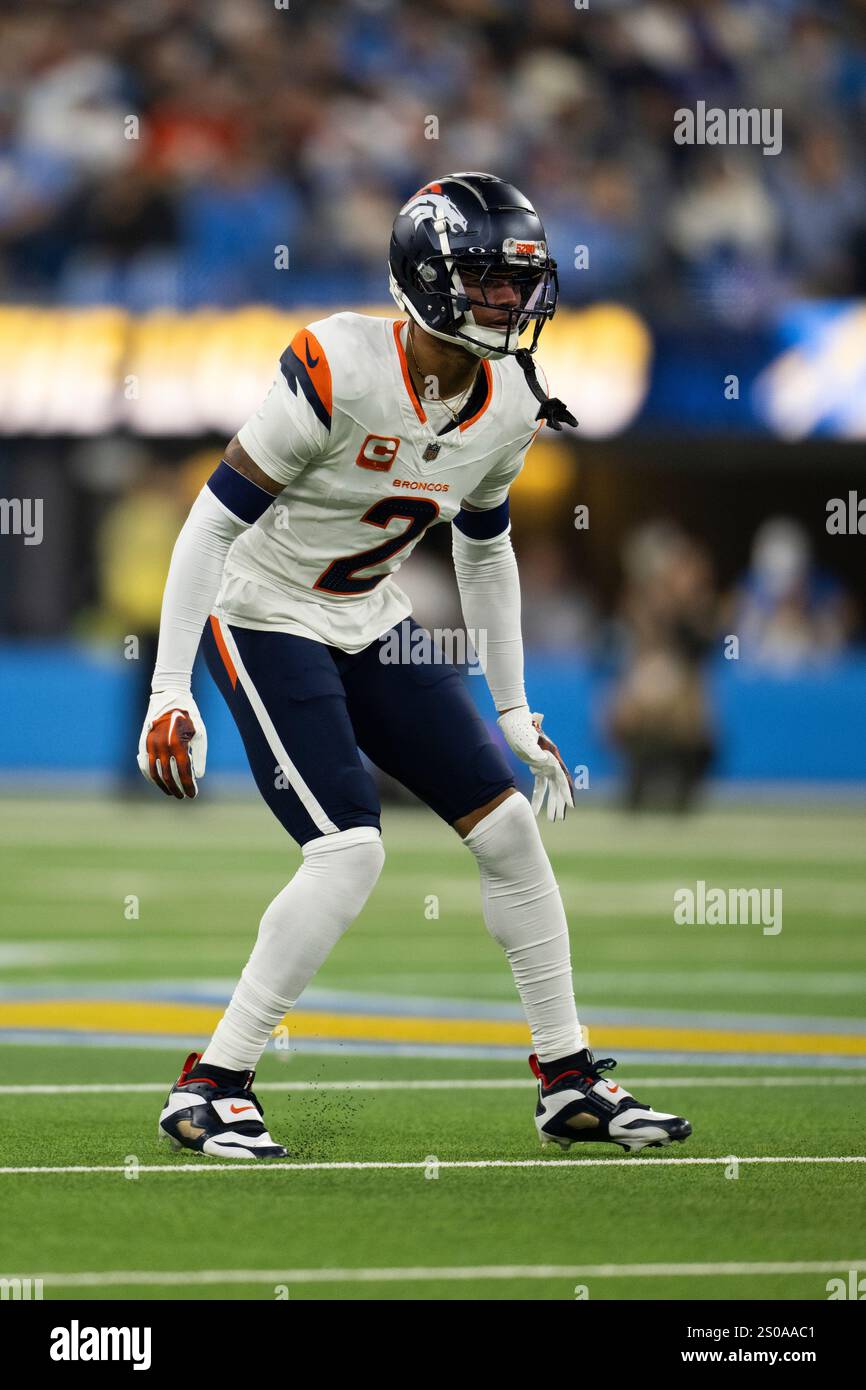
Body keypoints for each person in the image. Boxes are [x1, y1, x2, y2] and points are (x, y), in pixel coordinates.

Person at [138, 172, 691, 1159]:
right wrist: (170, 687)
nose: (505, 301)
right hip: (264, 611)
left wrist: (513, 707)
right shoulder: (337, 364)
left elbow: (482, 548)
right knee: (349, 850)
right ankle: (211, 1083)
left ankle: (567, 1079)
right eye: (483, 279)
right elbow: (212, 523)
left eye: (514, 280)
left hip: (370, 614)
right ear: (426, 278)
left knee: (510, 829)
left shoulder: (509, 401)